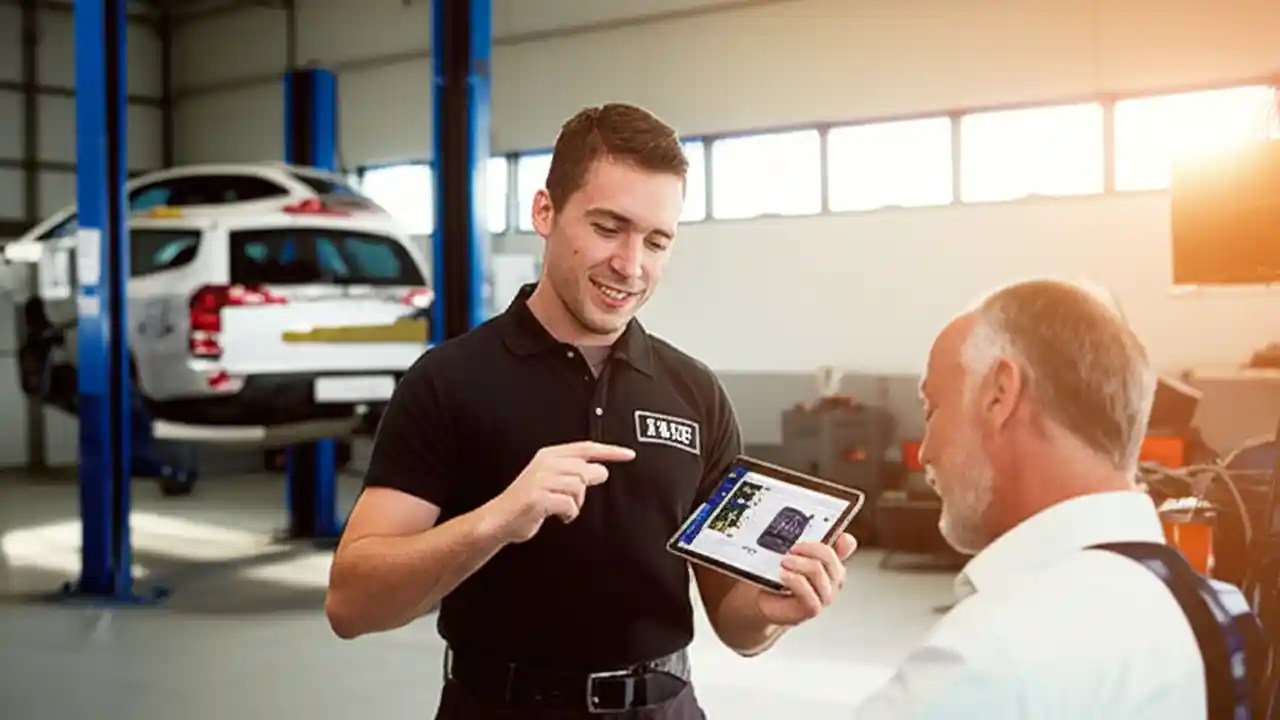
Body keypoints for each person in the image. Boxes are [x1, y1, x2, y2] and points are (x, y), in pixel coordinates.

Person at [324, 102, 857, 719]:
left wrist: (773, 612)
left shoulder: (695, 393)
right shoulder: (448, 381)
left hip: (663, 708)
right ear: (544, 211)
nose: (631, 266)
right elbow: (352, 603)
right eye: (609, 228)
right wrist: (496, 520)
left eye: (656, 241)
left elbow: (735, 622)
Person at [849, 278, 1260, 719]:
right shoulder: (1221, 615)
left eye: (933, 410)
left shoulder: (992, 653)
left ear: (1000, 393)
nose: (926, 451)